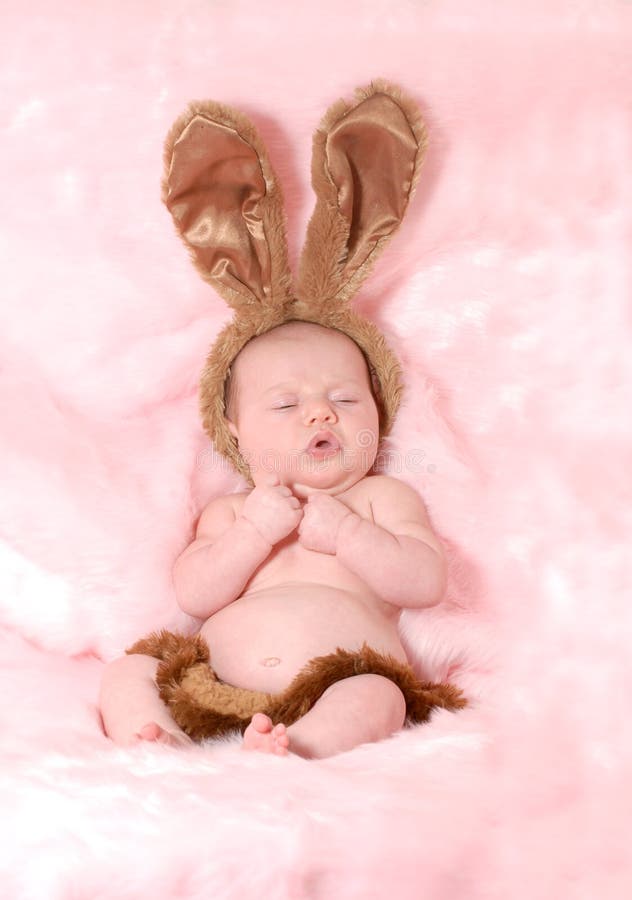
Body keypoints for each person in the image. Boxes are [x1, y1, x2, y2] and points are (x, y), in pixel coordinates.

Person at [99, 320, 447, 759]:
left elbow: (425, 582)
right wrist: (253, 533)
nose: (321, 413)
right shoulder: (233, 511)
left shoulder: (381, 498)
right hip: (211, 685)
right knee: (128, 670)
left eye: (346, 398)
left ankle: (295, 750)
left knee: (381, 696)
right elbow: (195, 594)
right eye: (285, 404)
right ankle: (163, 746)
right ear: (237, 432)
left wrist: (349, 533)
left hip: (332, 689)